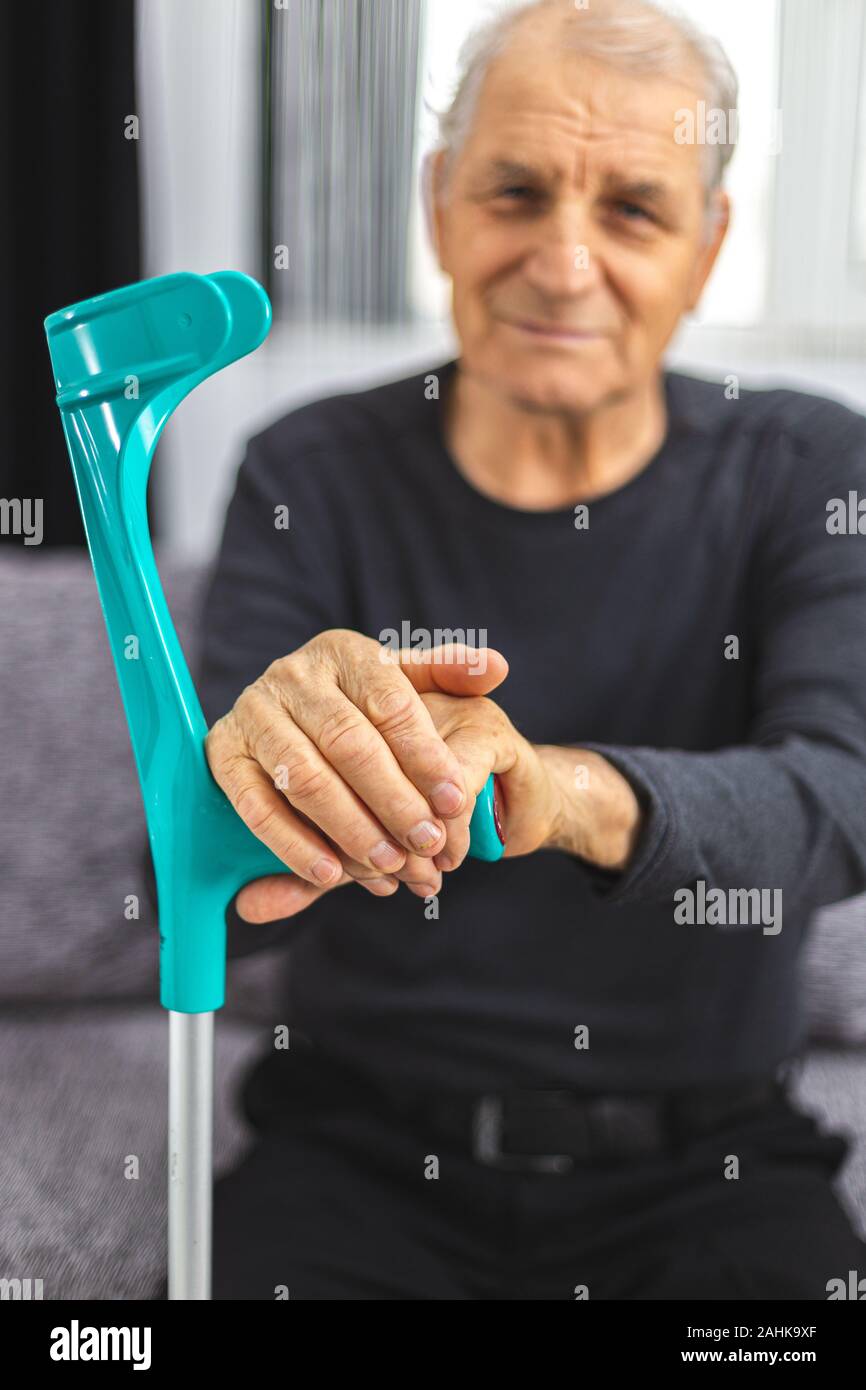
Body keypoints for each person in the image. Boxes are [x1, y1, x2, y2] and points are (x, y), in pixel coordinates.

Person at [160, 0, 866, 1298]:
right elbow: (186, 865)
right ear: (438, 201)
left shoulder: (810, 466)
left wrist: (552, 787)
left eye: (633, 212)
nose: (561, 260)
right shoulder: (304, 471)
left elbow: (840, 798)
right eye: (515, 191)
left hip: (712, 1164)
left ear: (708, 247)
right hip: (355, 1154)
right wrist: (257, 755)